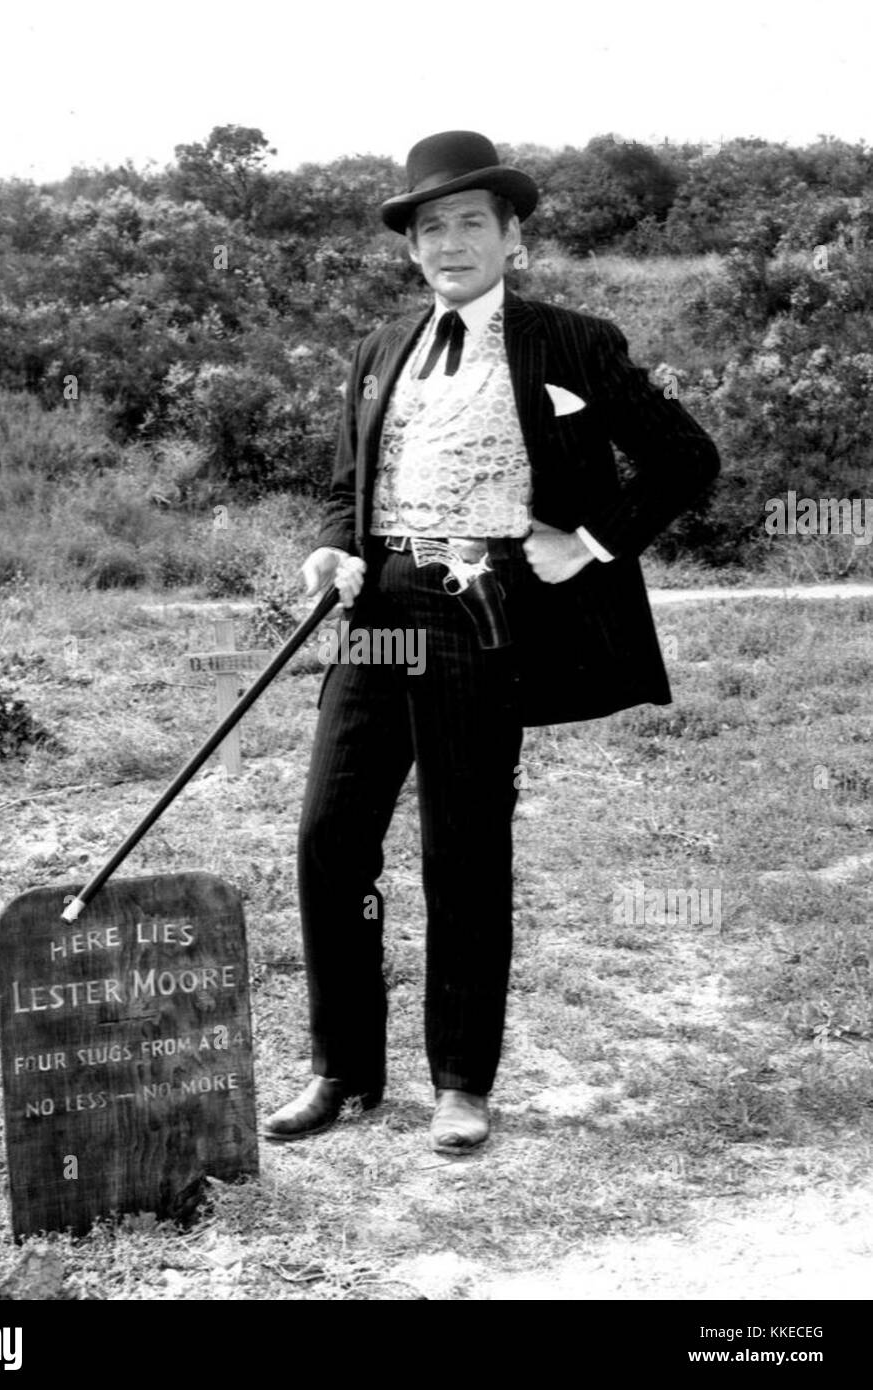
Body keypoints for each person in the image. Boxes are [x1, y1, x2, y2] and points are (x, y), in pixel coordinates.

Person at [262, 130, 720, 1154]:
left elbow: (686, 457)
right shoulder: (381, 349)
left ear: (512, 237)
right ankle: (342, 1069)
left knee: (464, 847)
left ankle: (462, 1083)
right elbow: (349, 487)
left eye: (473, 221)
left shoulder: (573, 342)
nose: (451, 241)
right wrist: (333, 552)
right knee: (330, 838)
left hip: (480, 616)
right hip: (376, 616)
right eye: (432, 226)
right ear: (412, 247)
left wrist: (591, 544)